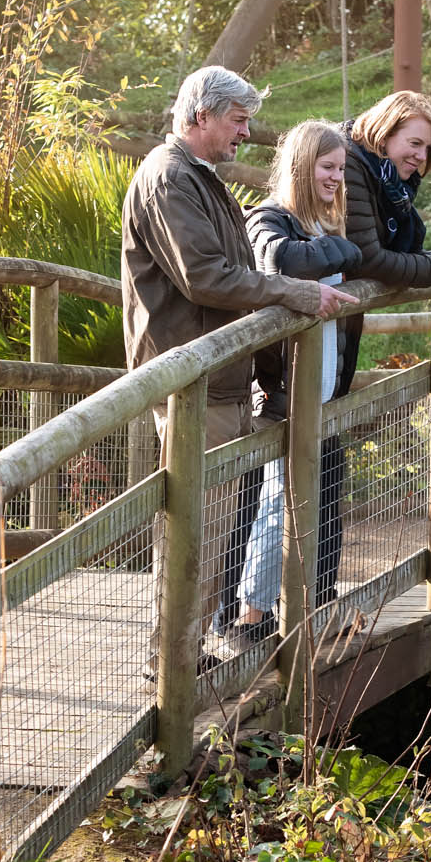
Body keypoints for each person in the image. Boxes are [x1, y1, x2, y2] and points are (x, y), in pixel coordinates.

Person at [121, 66, 356, 652]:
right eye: (237, 120)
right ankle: (170, 661)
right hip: (192, 379)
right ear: (200, 115)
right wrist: (295, 292)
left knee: (211, 520)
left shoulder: (200, 176)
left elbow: (234, 272)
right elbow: (205, 278)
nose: (245, 133)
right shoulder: (170, 178)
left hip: (219, 379)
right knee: (194, 527)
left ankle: (183, 654)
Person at [220, 121, 361, 644]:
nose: (335, 178)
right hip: (282, 390)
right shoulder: (270, 218)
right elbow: (283, 262)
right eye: (328, 168)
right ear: (302, 167)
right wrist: (346, 253)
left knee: (320, 498)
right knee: (277, 498)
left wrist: (344, 248)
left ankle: (311, 607)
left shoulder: (326, 225)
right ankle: (250, 616)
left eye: (341, 169)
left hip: (323, 384)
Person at [339, 91, 431, 375]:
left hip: (344, 310)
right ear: (384, 133)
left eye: (427, 148)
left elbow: (392, 251)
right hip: (316, 300)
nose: (421, 156)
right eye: (415, 143)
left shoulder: (389, 181)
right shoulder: (347, 164)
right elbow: (365, 256)